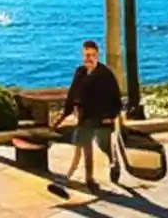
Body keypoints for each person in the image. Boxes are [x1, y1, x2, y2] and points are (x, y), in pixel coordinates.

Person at [50, 40, 123, 194]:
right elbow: (72, 95)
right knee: (81, 150)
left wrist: (110, 116)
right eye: (85, 55)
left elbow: (116, 99)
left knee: (105, 149)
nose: (88, 58)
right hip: (85, 119)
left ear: (97, 55)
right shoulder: (80, 72)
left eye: (91, 55)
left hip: (102, 119)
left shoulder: (105, 74)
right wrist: (63, 116)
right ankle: (71, 181)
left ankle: (114, 164)